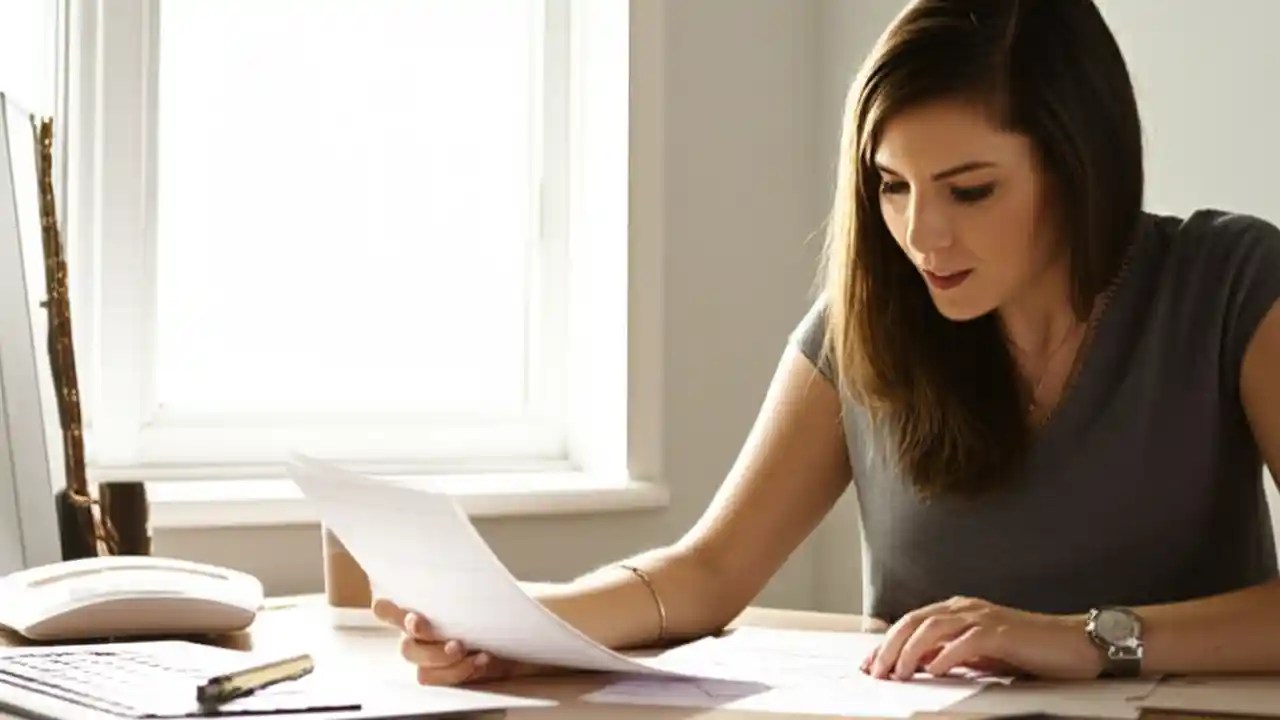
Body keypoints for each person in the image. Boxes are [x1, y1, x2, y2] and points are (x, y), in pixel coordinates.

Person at [373, 0, 1280, 685]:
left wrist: (1086, 637)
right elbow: (708, 571)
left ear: (1080, 164)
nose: (924, 236)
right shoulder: (870, 326)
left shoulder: (1230, 282)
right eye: (891, 187)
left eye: (970, 190)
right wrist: (520, 623)